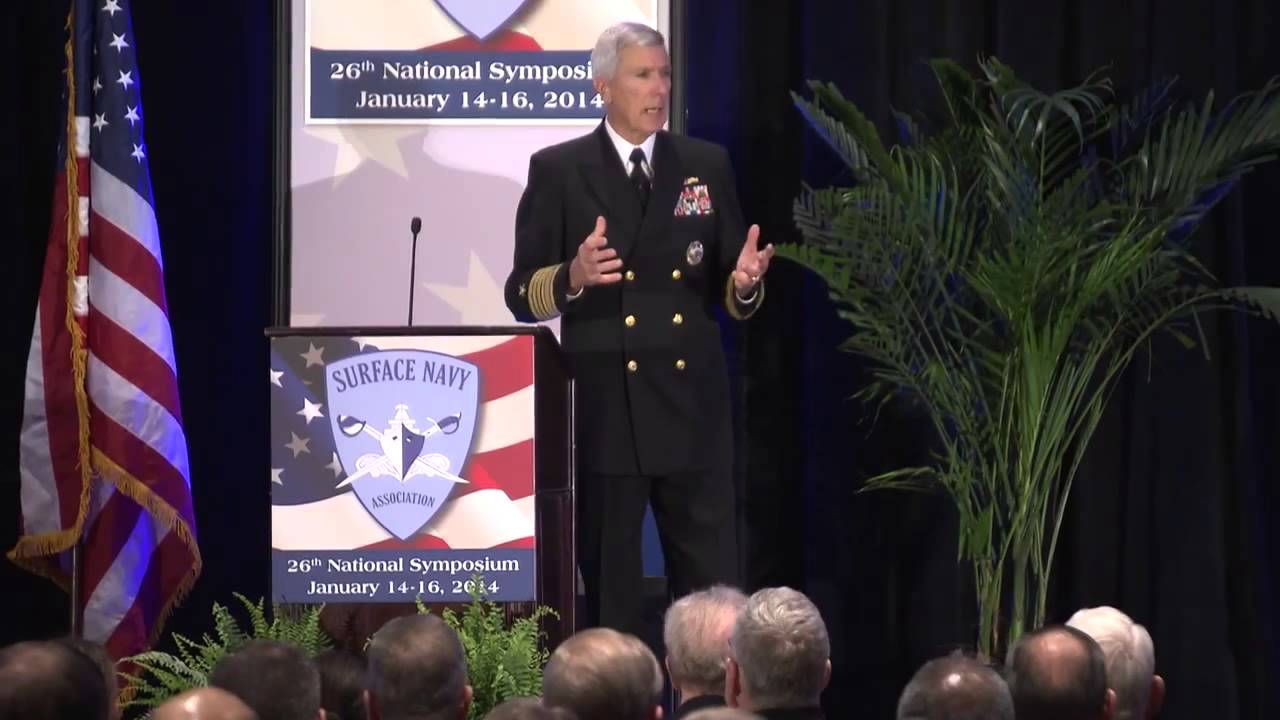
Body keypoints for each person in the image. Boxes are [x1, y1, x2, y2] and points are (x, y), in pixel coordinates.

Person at [503, 20, 774, 637]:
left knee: (713, 600)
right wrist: (572, 274)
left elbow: (731, 284)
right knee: (612, 600)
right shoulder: (560, 170)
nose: (660, 89)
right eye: (643, 75)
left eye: (665, 73)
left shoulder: (705, 164)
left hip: (693, 411)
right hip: (608, 413)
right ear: (604, 87)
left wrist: (747, 283)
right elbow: (521, 293)